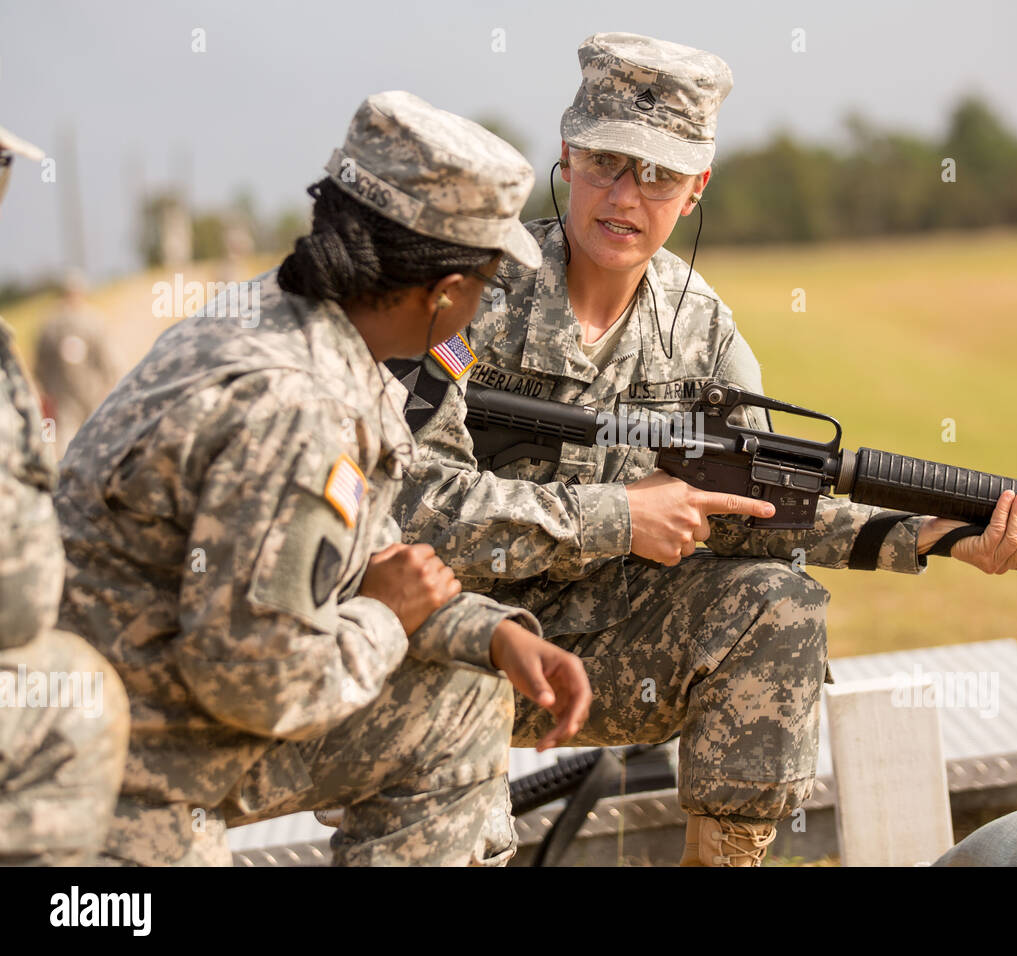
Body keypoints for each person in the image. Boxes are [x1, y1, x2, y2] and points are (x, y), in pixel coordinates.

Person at [391, 34, 1017, 866]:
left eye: (658, 175)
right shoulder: (472, 298)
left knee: (778, 603)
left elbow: (758, 502)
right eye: (605, 162)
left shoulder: (701, 326)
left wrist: (934, 535)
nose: (624, 196)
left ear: (697, 186)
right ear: (566, 155)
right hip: (444, 642)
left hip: (602, 647)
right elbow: (406, 506)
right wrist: (618, 516)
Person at [54, 92, 590, 866]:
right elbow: (259, 682)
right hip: (124, 766)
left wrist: (491, 633)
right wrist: (384, 618)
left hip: (143, 703)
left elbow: (357, 563)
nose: (481, 306)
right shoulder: (300, 406)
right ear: (445, 290)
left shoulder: (279, 316)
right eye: (489, 283)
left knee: (464, 696)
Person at [0, 121, 129, 865]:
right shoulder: (73, 323)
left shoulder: (48, 324)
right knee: (77, 700)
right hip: (82, 411)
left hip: (67, 410)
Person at [34, 268, 121, 459]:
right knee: (92, 441)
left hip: (81, 393)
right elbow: (110, 360)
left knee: (69, 442)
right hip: (73, 395)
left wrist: (46, 388)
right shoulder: (92, 321)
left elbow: (40, 365)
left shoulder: (51, 324)